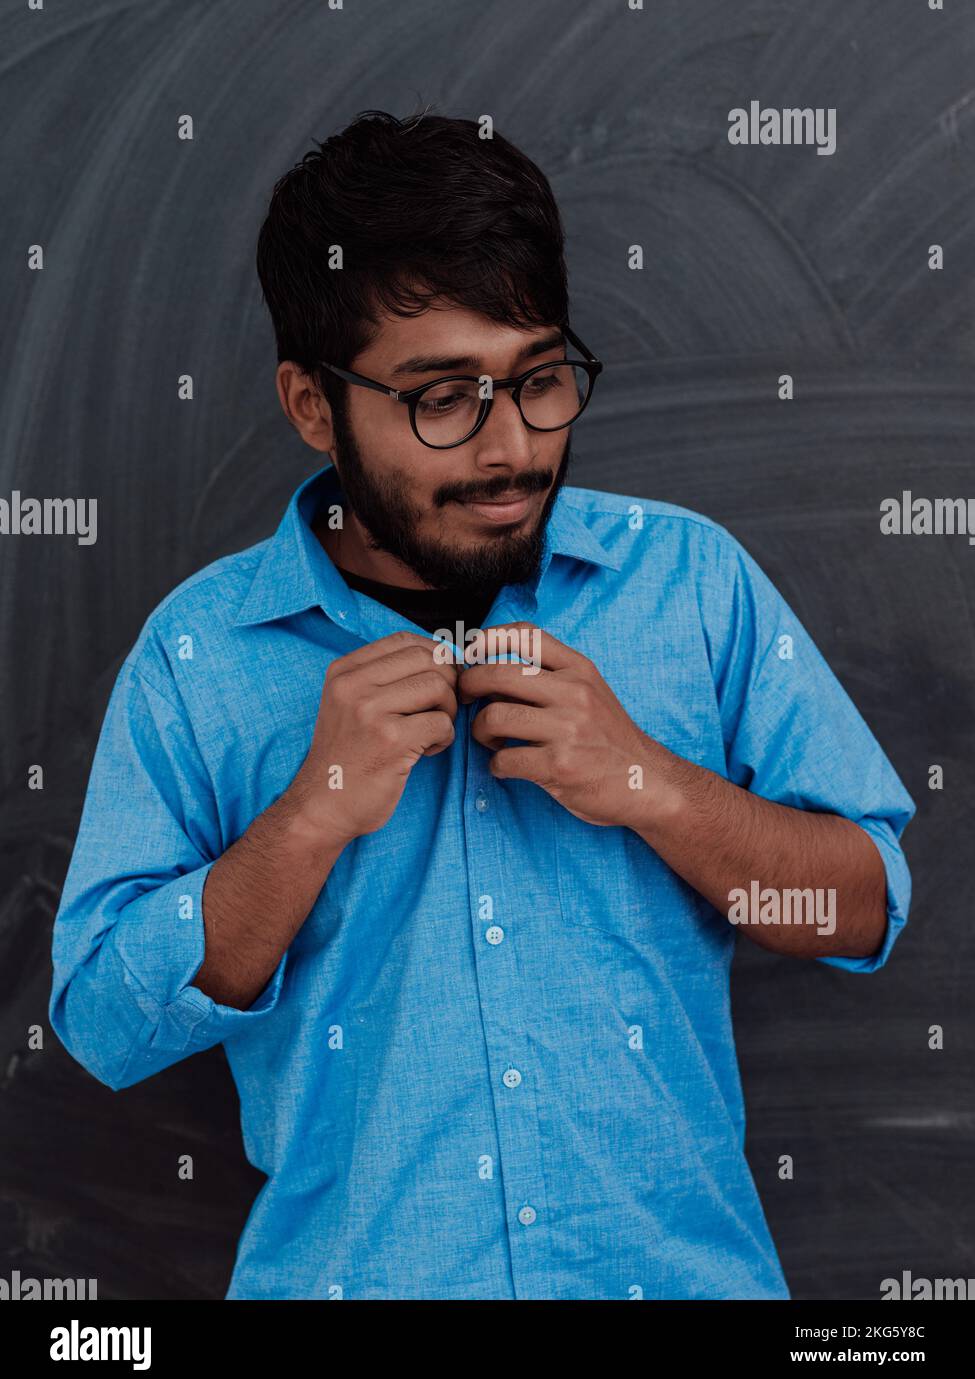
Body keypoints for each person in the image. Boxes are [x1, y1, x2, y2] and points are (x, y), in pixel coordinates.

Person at [49, 109, 915, 1300]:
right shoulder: (200, 657)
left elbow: (863, 906)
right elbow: (100, 1026)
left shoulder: (694, 583)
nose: (510, 447)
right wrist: (303, 824)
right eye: (442, 397)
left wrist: (654, 787)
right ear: (313, 404)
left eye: (539, 379)